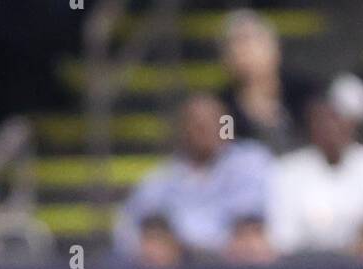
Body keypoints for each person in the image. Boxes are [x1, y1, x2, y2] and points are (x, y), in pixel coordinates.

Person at [113, 94, 272, 259]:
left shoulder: (250, 162)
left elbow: (262, 217)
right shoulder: (160, 179)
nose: (204, 130)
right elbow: (128, 229)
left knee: (254, 244)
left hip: (236, 265)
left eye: (212, 122)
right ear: (182, 129)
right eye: (197, 124)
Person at [266, 93, 363, 256]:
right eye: (322, 121)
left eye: (336, 119)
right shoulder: (287, 170)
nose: (330, 128)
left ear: (351, 123)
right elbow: (282, 239)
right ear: (310, 125)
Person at [219, 9, 316, 153]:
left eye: (251, 41)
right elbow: (224, 152)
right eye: (235, 44)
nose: (244, 51)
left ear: (275, 48)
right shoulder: (223, 109)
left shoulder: (305, 92)